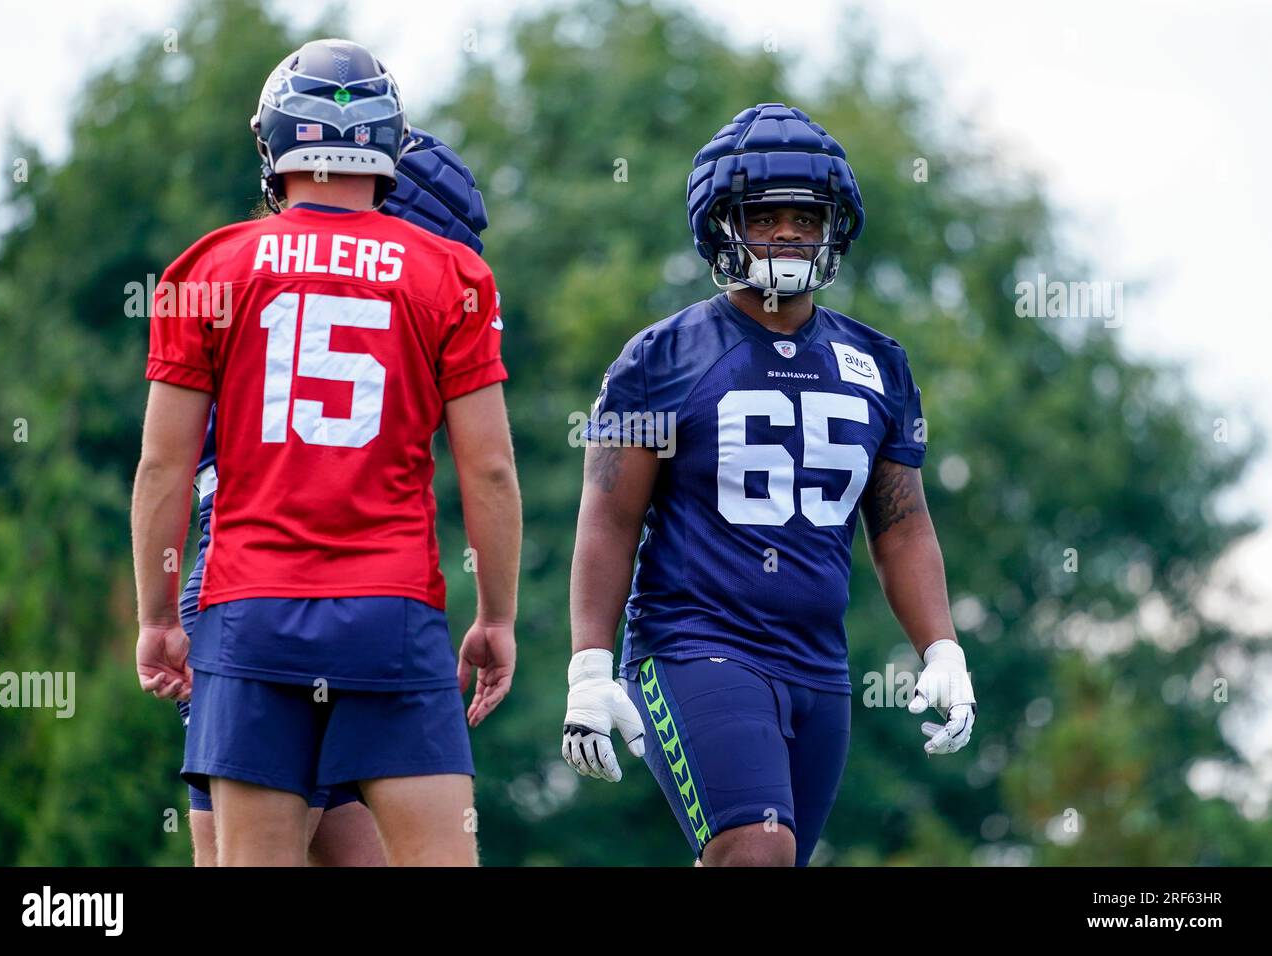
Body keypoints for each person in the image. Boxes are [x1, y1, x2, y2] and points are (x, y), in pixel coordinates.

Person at [131, 38, 520, 866]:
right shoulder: (448, 274)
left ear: (275, 143)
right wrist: (498, 616)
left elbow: (163, 467)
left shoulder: (208, 267)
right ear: (387, 146)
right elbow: (489, 468)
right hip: (391, 609)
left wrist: (158, 614)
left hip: (246, 608)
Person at [560, 103, 976, 867]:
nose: (788, 233)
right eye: (764, 214)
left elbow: (900, 524)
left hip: (819, 664)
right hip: (697, 643)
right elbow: (609, 522)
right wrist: (588, 665)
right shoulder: (663, 358)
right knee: (756, 851)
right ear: (723, 224)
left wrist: (941, 648)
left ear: (834, 227)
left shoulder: (878, 364)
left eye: (805, 217)